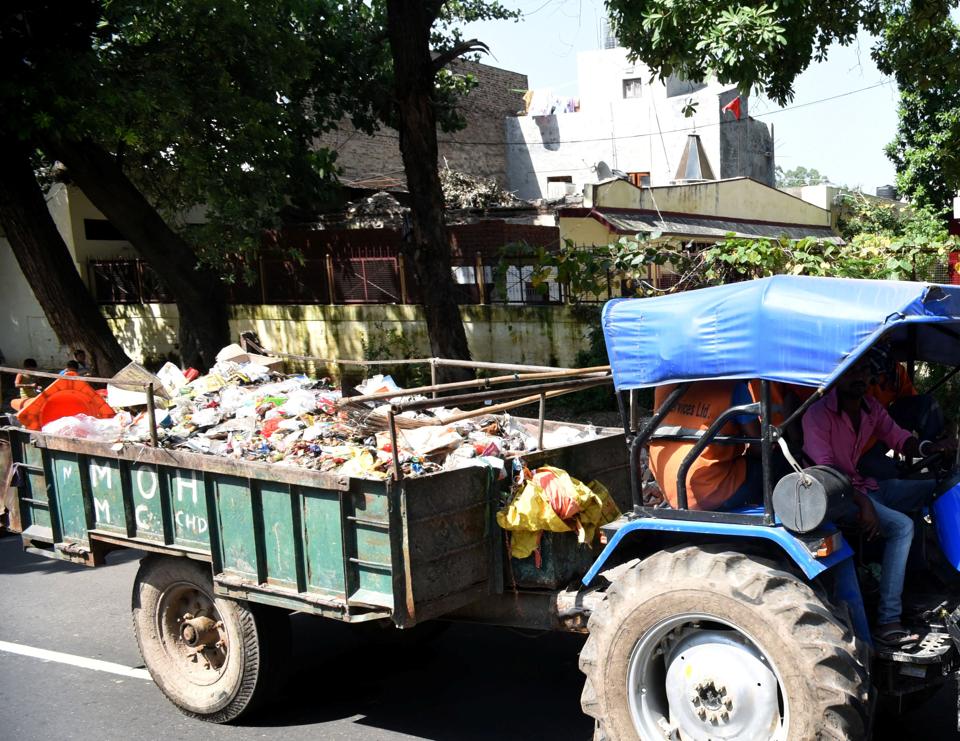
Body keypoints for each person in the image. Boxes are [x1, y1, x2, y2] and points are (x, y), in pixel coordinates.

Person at [802, 357, 955, 646]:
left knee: (934, 488)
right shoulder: (817, 415)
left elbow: (899, 438)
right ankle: (888, 621)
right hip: (834, 497)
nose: (859, 376)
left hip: (864, 487)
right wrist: (863, 503)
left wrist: (931, 447)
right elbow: (825, 473)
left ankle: (924, 579)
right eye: (851, 371)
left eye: (864, 370)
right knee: (901, 526)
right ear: (837, 375)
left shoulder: (870, 407)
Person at [649, 380, 762, 511]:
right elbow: (759, 446)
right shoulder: (732, 389)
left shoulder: (663, 387)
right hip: (710, 490)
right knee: (775, 463)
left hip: (671, 489)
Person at [859, 343, 945, 480]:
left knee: (927, 403)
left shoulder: (896, 375)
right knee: (897, 477)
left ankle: (939, 463)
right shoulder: (851, 394)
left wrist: (929, 447)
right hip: (861, 449)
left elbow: (898, 431)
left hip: (882, 433)